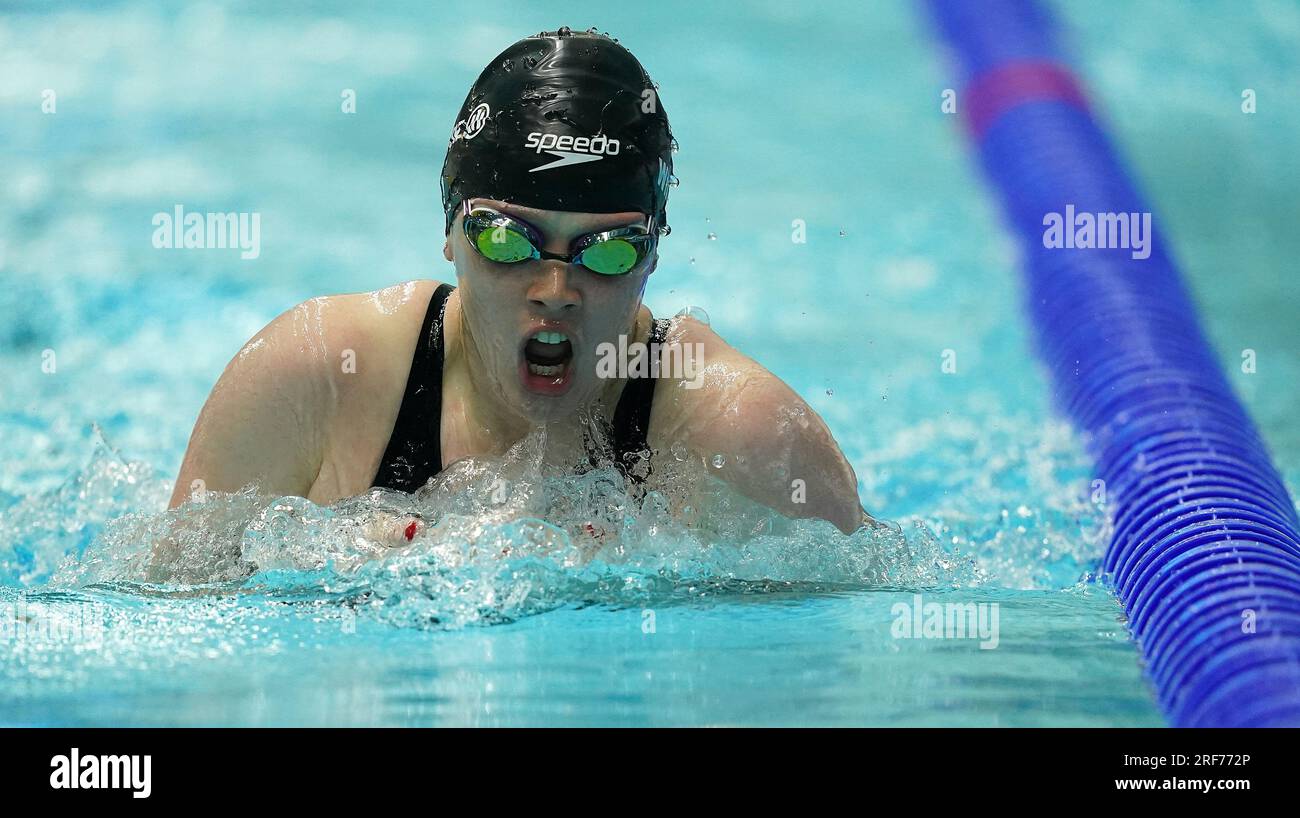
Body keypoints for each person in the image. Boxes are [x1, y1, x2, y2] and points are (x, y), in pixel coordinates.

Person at [169, 28, 869, 535]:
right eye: (508, 239)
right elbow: (164, 620)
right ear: (449, 233)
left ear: (653, 257)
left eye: (607, 252)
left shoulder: (745, 439)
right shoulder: (314, 377)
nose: (556, 287)